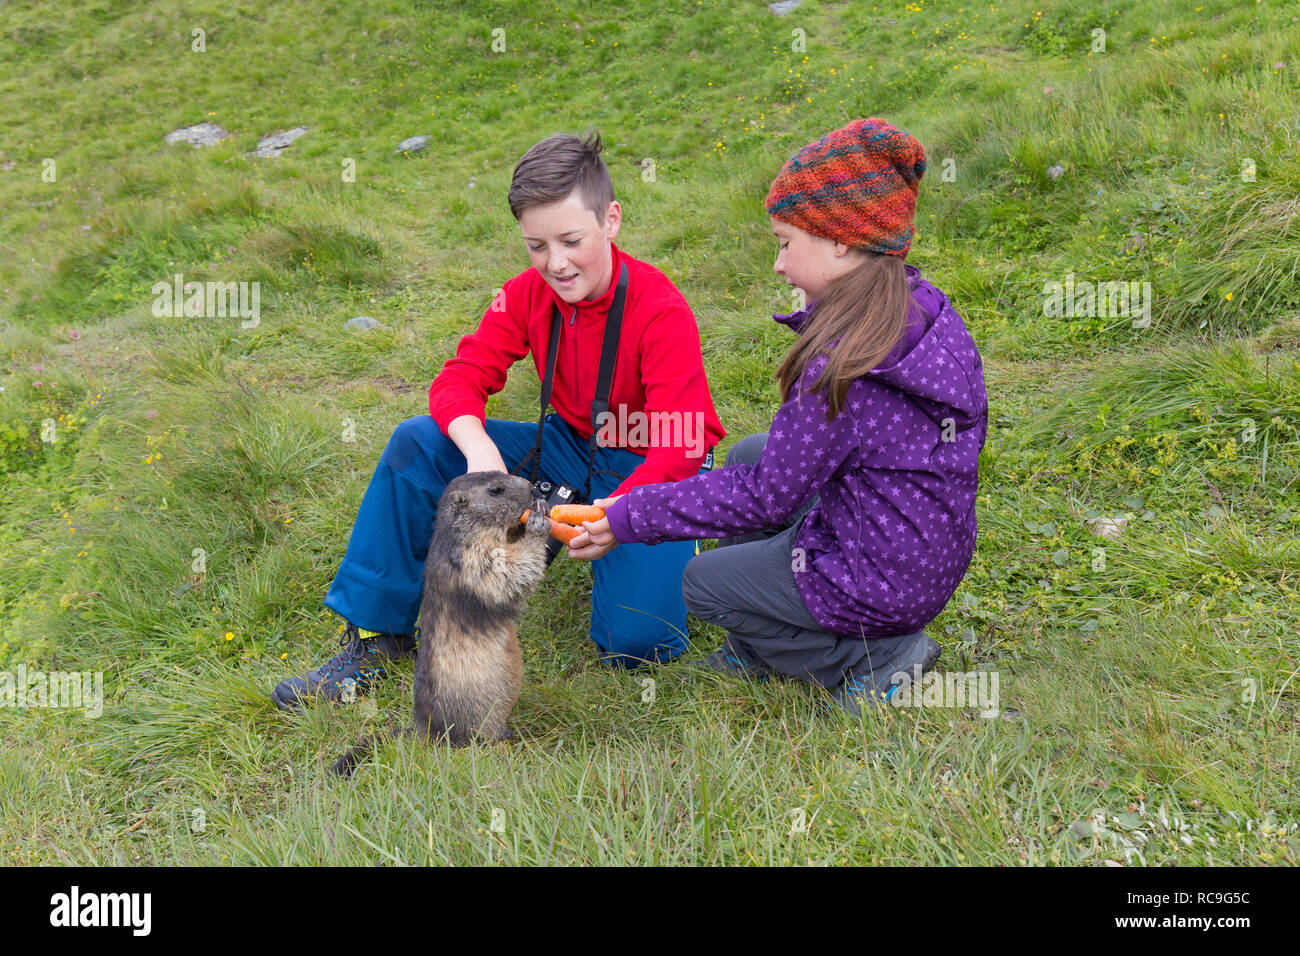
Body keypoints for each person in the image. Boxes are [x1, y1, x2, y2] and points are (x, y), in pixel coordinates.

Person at [272, 129, 725, 710]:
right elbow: (460, 378)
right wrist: (478, 449)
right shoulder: (524, 294)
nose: (555, 264)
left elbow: (680, 443)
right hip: (569, 443)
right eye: (536, 246)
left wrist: (620, 513)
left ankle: (713, 517)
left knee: (638, 645)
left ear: (611, 220)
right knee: (417, 443)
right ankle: (377, 635)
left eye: (570, 240)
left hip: (653, 458)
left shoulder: (661, 310)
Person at [568, 118, 989, 716]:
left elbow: (766, 499)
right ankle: (759, 646)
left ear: (840, 241)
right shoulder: (925, 307)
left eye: (786, 242)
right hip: (928, 550)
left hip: (881, 579)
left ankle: (873, 660)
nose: (778, 264)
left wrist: (633, 513)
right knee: (747, 451)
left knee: (703, 583)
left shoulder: (840, 366)